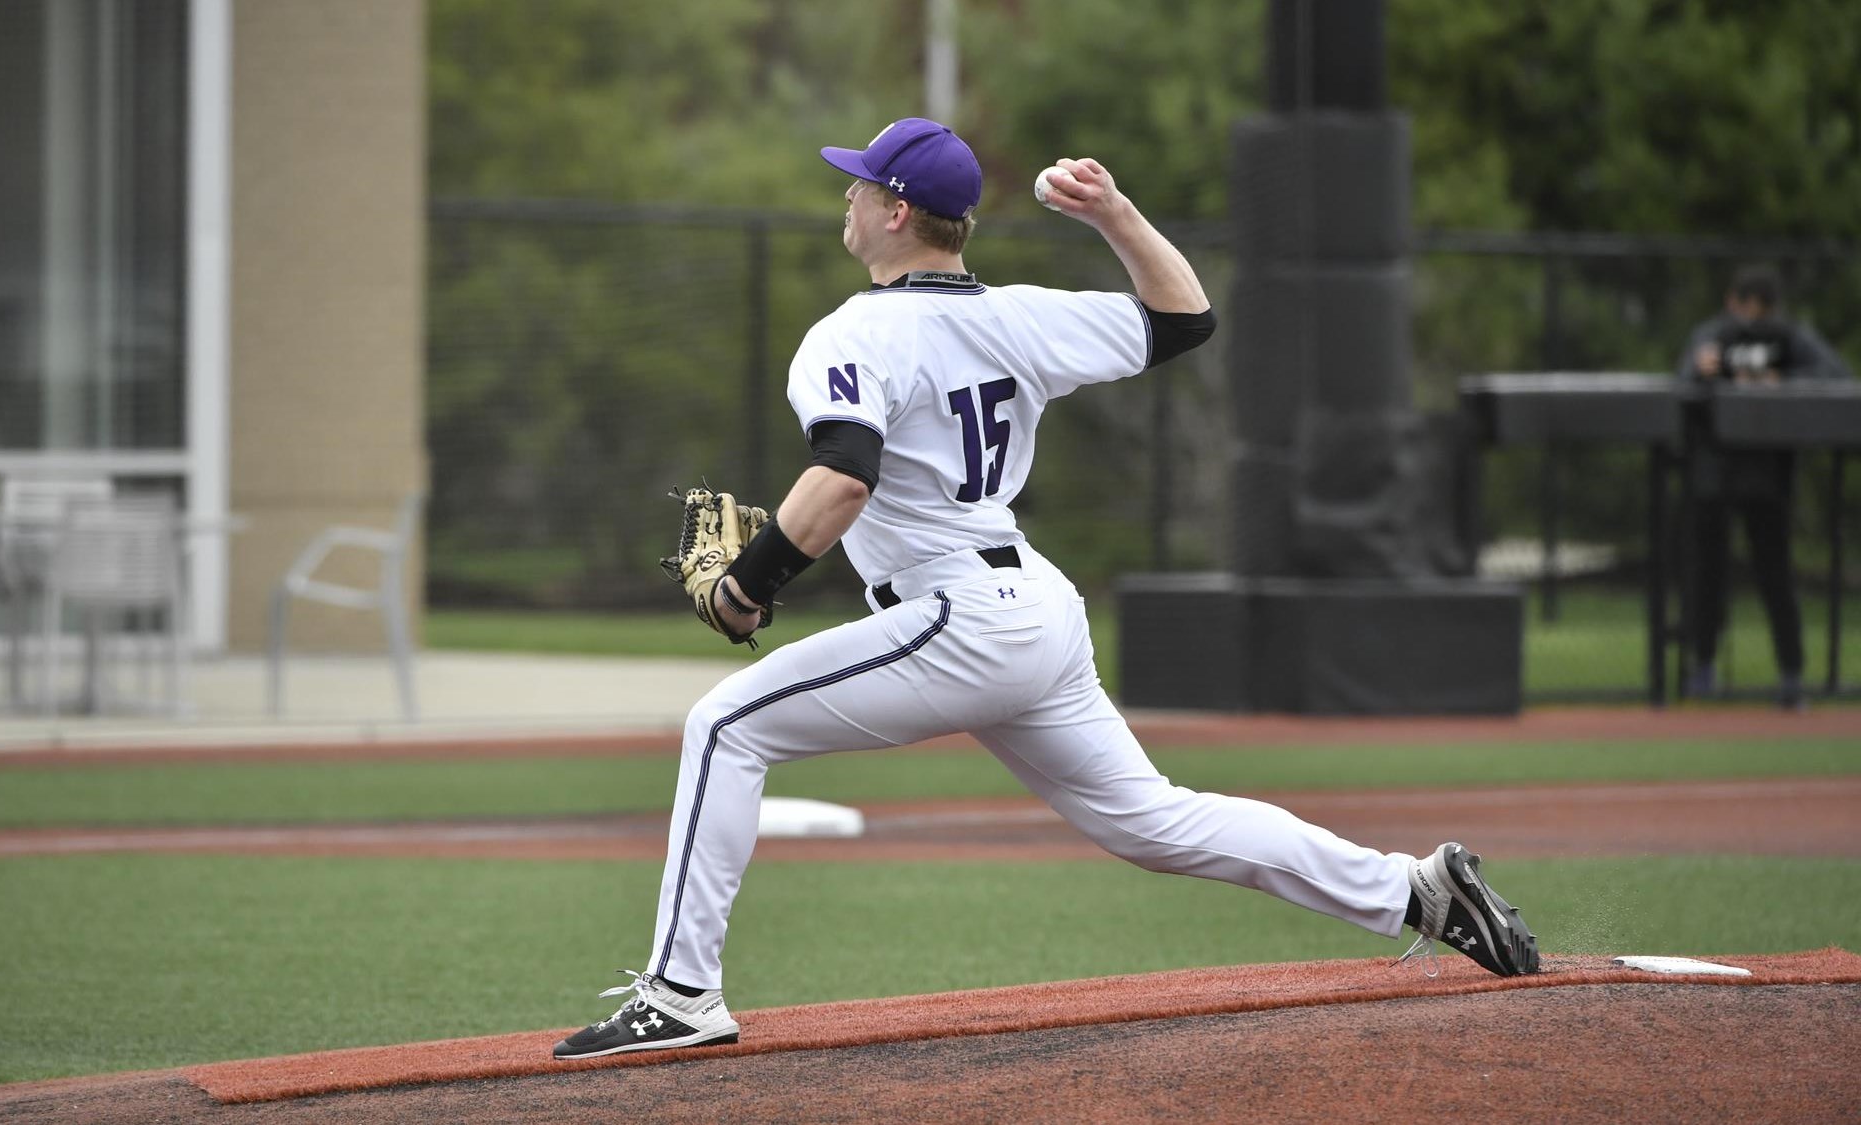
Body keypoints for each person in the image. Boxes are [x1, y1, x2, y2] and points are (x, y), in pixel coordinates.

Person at [553, 118, 1539, 1060]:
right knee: (1154, 821)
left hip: (954, 618)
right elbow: (1183, 319)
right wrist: (1112, 213)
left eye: (856, 184)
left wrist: (747, 588)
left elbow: (844, 475)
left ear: (894, 212)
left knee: (727, 724)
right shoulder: (1018, 315)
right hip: (1033, 612)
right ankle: (1415, 893)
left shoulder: (852, 333)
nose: (844, 198)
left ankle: (679, 996)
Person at [1675, 266, 1853, 710]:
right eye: (1744, 311)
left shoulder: (1789, 339)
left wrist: (1783, 383)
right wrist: (1701, 371)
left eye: (1760, 313)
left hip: (1768, 476)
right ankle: (1703, 665)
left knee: (1775, 575)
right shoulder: (1710, 336)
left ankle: (1791, 675)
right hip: (1714, 474)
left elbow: (1838, 377)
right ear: (1731, 302)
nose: (1750, 323)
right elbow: (1682, 382)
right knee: (1707, 574)